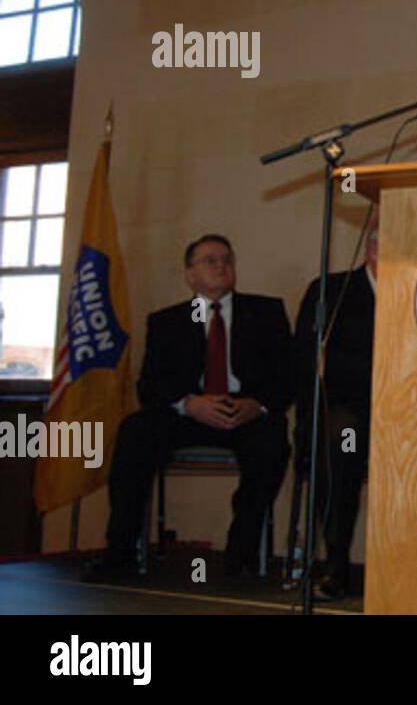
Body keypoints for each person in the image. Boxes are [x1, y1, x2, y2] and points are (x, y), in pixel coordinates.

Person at [83, 234, 292, 581]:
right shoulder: (166, 321)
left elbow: (289, 375)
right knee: (135, 431)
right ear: (190, 275)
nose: (221, 265)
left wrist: (258, 404)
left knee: (272, 443)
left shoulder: (266, 312)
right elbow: (149, 385)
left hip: (245, 414)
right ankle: (120, 553)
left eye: (227, 258)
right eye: (210, 260)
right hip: (188, 415)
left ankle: (242, 555)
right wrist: (188, 403)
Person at [292, 214, 378, 601]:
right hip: (349, 410)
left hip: (412, 410)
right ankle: (336, 563)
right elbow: (307, 362)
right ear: (374, 247)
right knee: (342, 439)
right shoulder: (335, 290)